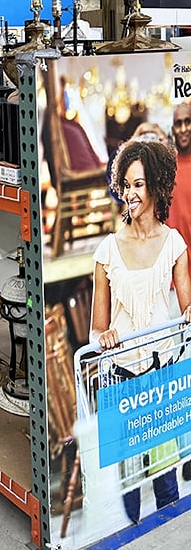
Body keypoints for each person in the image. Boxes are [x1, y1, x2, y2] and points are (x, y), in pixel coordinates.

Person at [90, 138, 191, 525]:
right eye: (127, 185)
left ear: (157, 187)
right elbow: (96, 330)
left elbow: (187, 308)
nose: (130, 194)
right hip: (121, 381)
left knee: (166, 481)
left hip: (162, 377)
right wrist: (104, 338)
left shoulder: (174, 244)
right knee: (128, 490)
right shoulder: (108, 251)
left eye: (139, 184)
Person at [167, 103, 191, 265]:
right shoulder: (165, 168)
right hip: (171, 277)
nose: (183, 129)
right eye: (178, 123)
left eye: (188, 122)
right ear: (172, 129)